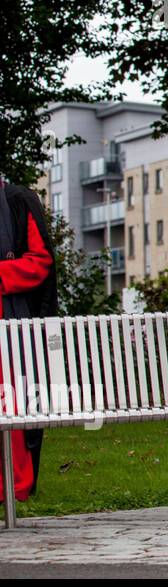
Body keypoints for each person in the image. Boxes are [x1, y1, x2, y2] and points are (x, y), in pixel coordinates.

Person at [0, 178, 58, 504]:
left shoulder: (18, 200)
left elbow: (41, 260)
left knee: (13, 403)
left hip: (11, 324)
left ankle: (13, 486)